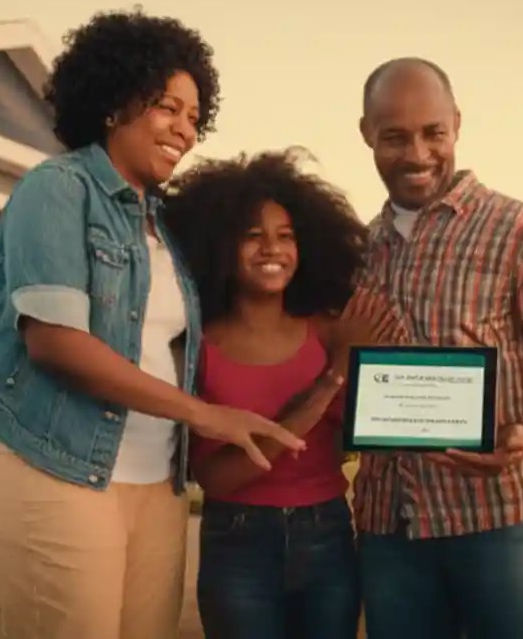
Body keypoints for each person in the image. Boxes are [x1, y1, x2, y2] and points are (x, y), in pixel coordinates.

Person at [0, 9, 305, 639]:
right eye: (167, 107)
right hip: (51, 458)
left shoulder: (165, 224)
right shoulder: (57, 190)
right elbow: (55, 343)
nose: (185, 130)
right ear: (116, 101)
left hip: (155, 474)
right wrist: (203, 415)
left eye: (195, 117)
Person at [351, 57, 523, 639]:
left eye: (432, 133)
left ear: (457, 126)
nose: (417, 154)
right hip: (390, 526)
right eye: (394, 136)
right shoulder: (357, 250)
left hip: (499, 520)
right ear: (366, 133)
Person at [162, 149, 401, 639]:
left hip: (328, 536)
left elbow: (371, 428)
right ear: (219, 247)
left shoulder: (331, 330)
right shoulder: (199, 347)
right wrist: (329, 381)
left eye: (286, 236)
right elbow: (217, 477)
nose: (272, 249)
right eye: (253, 236)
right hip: (237, 543)